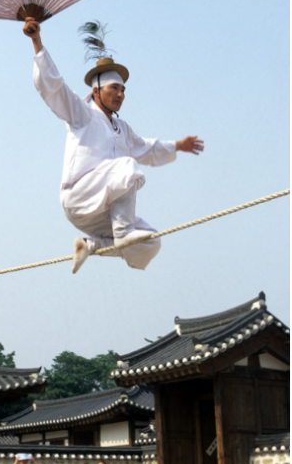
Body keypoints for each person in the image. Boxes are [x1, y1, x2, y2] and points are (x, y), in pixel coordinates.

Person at [22, 17, 204, 273]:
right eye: (114, 88)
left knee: (150, 241)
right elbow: (55, 87)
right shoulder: (82, 113)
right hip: (79, 195)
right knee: (127, 167)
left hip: (101, 212)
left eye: (123, 90)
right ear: (97, 91)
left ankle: (92, 245)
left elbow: (148, 148)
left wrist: (177, 145)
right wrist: (37, 42)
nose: (121, 94)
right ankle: (123, 232)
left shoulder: (123, 128)